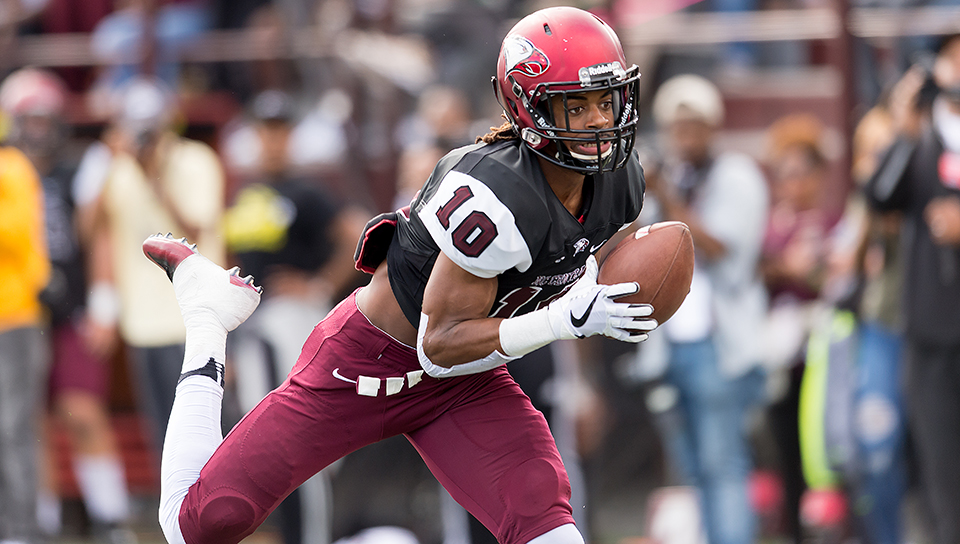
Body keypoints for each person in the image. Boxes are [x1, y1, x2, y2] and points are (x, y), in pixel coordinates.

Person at [145, 7, 655, 544]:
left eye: (606, 99)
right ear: (529, 108)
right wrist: (562, 320)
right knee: (198, 525)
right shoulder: (495, 193)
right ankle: (206, 315)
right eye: (576, 104)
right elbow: (439, 343)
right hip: (367, 363)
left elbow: (558, 259)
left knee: (548, 529)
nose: (600, 119)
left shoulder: (620, 183)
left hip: (466, 380)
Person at [0, 67, 138, 544]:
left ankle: (111, 517)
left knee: (82, 411)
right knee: (27, 422)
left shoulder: (78, 168)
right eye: (28, 120)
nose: (37, 131)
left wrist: (102, 304)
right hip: (20, 310)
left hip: (70, 305)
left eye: (44, 120)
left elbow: (97, 236)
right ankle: (42, 521)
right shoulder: (7, 171)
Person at [222, 89, 365, 544]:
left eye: (280, 130)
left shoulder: (307, 189)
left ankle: (312, 535)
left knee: (297, 437)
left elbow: (358, 233)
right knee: (266, 438)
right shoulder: (246, 190)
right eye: (266, 130)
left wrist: (320, 284)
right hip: (255, 322)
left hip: (294, 318)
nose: (272, 140)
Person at [642, 73, 769, 544]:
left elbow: (718, 248)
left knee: (723, 464)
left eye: (693, 126)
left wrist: (666, 196)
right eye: (676, 127)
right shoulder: (671, 177)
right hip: (669, 345)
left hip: (720, 345)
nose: (684, 137)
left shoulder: (735, 175)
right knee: (693, 469)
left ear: (713, 127)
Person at [88, 75, 227, 457]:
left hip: (192, 320)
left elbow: (196, 226)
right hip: (142, 322)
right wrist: (102, 165)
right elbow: (92, 229)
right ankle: (175, 513)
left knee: (206, 425)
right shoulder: (119, 169)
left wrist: (156, 177)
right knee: (162, 431)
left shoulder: (197, 161)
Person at [864, 33, 960, 544]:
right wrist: (903, 132)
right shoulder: (924, 141)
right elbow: (880, 197)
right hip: (930, 334)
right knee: (941, 476)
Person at [0, 96, 51, 544]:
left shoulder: (12, 165)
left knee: (14, 426)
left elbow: (15, 231)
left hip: (13, 315)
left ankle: (22, 531)